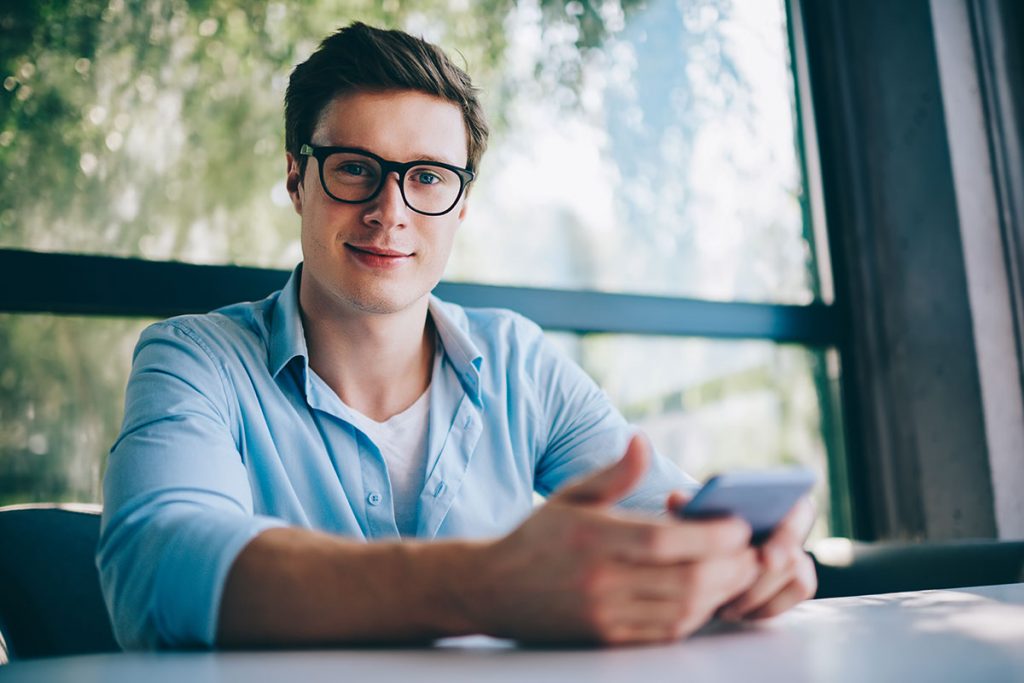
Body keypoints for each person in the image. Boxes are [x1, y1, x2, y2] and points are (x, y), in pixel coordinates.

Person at [97, 21, 816, 650]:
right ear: (296, 179)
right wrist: (486, 583)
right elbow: (158, 567)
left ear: (462, 202)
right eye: (355, 169)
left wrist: (753, 548)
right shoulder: (195, 357)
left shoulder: (519, 363)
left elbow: (668, 519)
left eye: (429, 178)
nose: (391, 210)